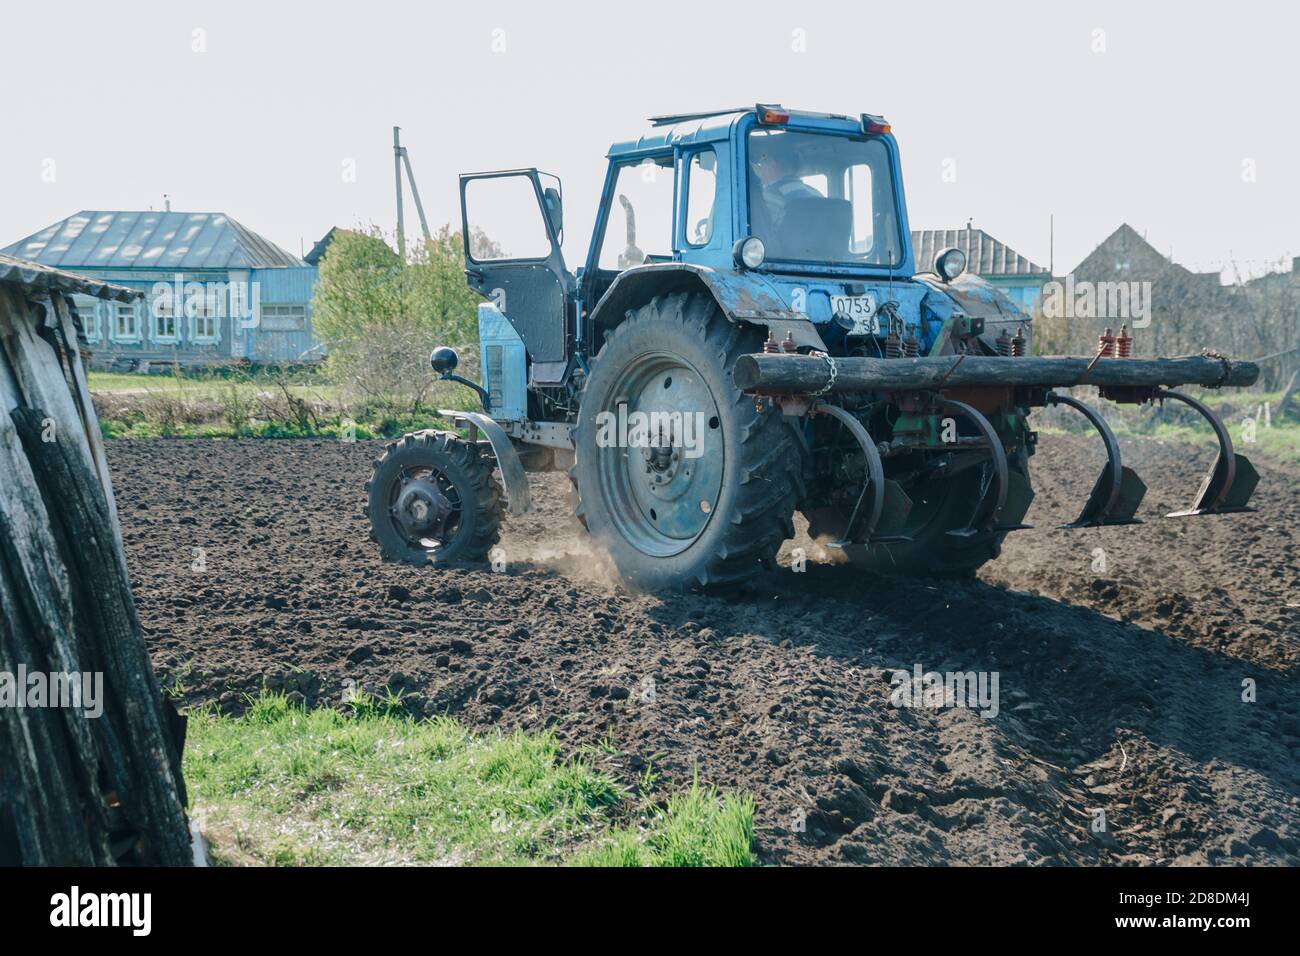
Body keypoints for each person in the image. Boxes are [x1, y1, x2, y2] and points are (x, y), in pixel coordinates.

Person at [750, 134, 821, 236]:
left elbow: (763, 235)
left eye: (761, 164)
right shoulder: (816, 193)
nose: (761, 170)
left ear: (772, 164)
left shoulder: (769, 197)